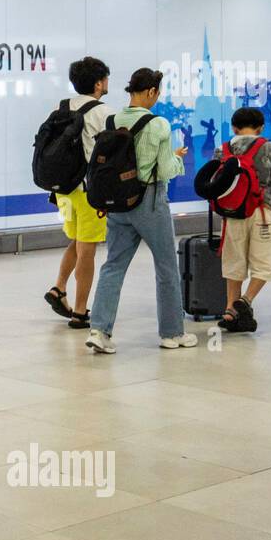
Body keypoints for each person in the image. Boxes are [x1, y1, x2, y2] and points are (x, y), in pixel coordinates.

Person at [86, 68, 196, 354]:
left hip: (117, 204)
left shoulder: (112, 119)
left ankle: (99, 330)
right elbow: (167, 170)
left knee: (113, 266)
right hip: (149, 201)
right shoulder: (158, 124)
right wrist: (178, 159)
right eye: (157, 93)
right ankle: (172, 333)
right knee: (166, 267)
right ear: (150, 92)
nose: (157, 98)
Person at [45, 56, 113, 329]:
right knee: (88, 250)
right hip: (88, 192)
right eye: (105, 78)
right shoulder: (103, 112)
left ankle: (59, 289)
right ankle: (81, 311)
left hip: (63, 190)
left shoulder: (61, 108)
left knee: (77, 240)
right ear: (98, 83)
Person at [218, 107, 271, 332]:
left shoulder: (223, 150)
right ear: (261, 127)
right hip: (261, 212)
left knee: (234, 263)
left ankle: (230, 311)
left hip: (232, 214)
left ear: (234, 127)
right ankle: (245, 301)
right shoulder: (268, 147)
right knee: (262, 264)